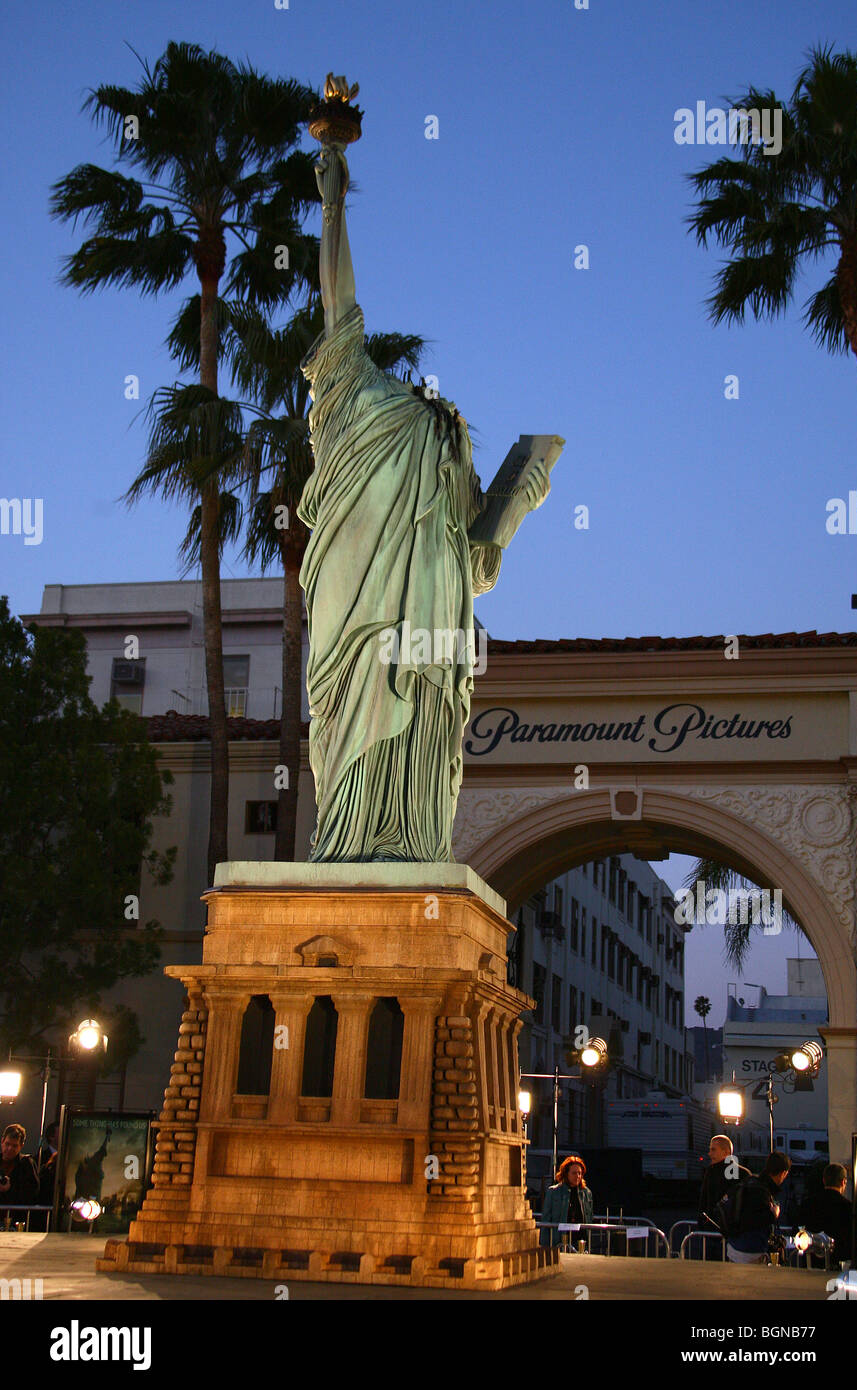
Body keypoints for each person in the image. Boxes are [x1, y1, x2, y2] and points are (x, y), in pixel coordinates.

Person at [300, 121, 552, 863]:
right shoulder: (353, 395)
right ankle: (347, 845)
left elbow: (475, 558)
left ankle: (408, 843)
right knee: (354, 706)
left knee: (427, 728)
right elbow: (337, 296)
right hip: (360, 602)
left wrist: (518, 500)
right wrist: (334, 198)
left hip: (438, 594)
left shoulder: (452, 436)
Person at [724, 1151, 791, 1264]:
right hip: (751, 1251)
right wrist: (774, 1213)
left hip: (733, 1247)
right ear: (783, 1173)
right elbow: (755, 1220)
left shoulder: (750, 1182)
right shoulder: (762, 1191)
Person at [798, 1162, 853, 1265]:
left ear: (824, 1180)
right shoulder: (848, 1207)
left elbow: (799, 1229)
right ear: (843, 1182)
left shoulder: (808, 1203)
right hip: (838, 1262)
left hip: (811, 1260)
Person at [539, 1155, 594, 1250]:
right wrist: (545, 1246)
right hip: (560, 1241)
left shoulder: (586, 1193)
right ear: (566, 1174)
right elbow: (546, 1220)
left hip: (580, 1241)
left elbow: (589, 1217)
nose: (577, 1176)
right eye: (574, 1173)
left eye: (580, 1173)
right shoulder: (553, 1192)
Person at [698, 1134, 752, 1226]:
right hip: (735, 1229)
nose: (709, 1153)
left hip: (714, 1227)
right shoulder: (743, 1173)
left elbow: (704, 1200)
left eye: (713, 1150)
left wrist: (702, 1222)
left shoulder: (711, 1172)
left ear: (725, 1152)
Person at [0, 1124, 39, 1225]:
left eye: (14, 1146)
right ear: (2, 1141)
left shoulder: (26, 1164)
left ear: (21, 1146)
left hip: (17, 1220)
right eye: (7, 1144)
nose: (9, 1149)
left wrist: (10, 1189)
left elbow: (32, 1194)